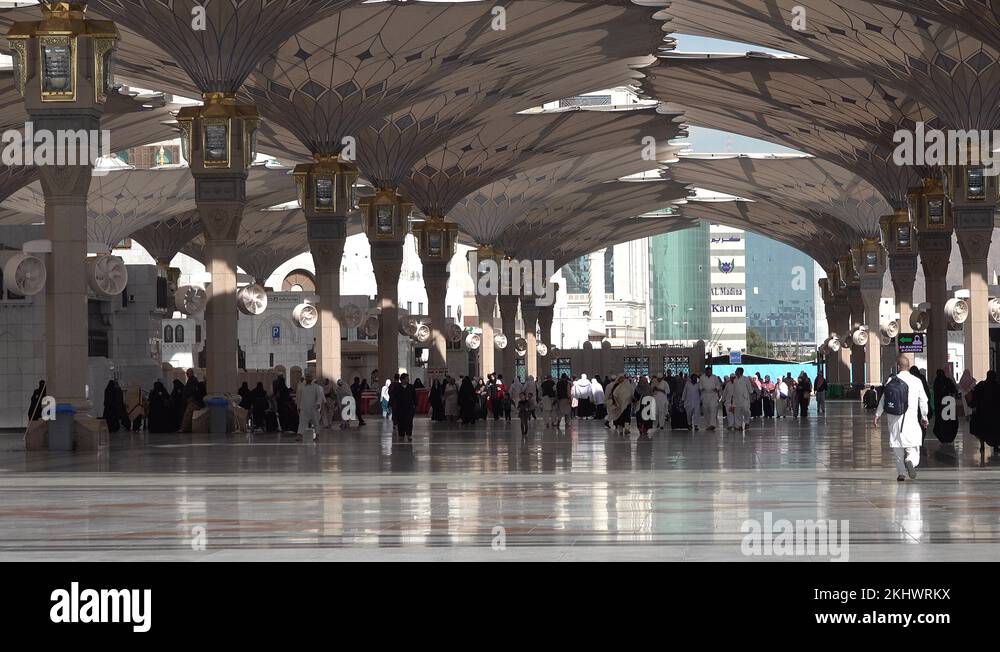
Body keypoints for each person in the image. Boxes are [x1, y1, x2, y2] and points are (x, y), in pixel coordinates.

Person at [874, 355, 929, 481]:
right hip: (910, 420)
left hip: (893, 419)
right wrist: (924, 417)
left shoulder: (891, 381)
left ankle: (901, 473)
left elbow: (883, 398)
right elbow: (923, 401)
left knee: (897, 447)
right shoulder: (916, 381)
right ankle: (910, 461)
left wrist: (877, 414)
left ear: (898, 367)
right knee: (913, 446)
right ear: (908, 367)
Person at [970, 371, 1000, 454]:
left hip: (982, 412)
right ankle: (995, 446)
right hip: (994, 413)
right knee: (994, 430)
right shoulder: (997, 386)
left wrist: (972, 405)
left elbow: (975, 396)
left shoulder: (981, 385)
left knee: (982, 429)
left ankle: (982, 445)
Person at [932, 370, 960, 444]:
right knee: (950, 422)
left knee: (941, 422)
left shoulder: (937, 381)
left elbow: (935, 394)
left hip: (940, 406)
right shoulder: (948, 381)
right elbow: (954, 390)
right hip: (949, 404)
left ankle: (943, 438)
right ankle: (949, 437)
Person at [296, 371, 324, 441]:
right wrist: (298, 406)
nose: (308, 378)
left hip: (313, 408)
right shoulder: (301, 386)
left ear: (312, 378)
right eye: (307, 376)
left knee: (315, 422)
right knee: (302, 422)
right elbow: (298, 397)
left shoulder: (316, 387)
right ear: (305, 378)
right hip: (304, 407)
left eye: (309, 376)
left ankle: (317, 435)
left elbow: (319, 396)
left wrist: (318, 403)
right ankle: (300, 435)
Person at [728, 368, 754, 432]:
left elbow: (750, 389)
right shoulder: (735, 380)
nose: (735, 372)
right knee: (737, 413)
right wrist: (732, 399)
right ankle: (739, 425)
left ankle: (747, 422)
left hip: (745, 398)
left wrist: (752, 396)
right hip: (736, 399)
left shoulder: (746, 379)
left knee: (746, 411)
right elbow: (733, 389)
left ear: (740, 372)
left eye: (736, 371)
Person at [394, 373, 418, 441]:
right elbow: (394, 397)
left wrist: (416, 405)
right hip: (400, 408)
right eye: (407, 378)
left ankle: (409, 435)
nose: (408, 379)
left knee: (409, 421)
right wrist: (392, 405)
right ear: (402, 379)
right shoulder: (397, 387)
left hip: (409, 408)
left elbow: (414, 397)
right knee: (400, 421)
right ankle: (401, 435)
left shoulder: (411, 387)